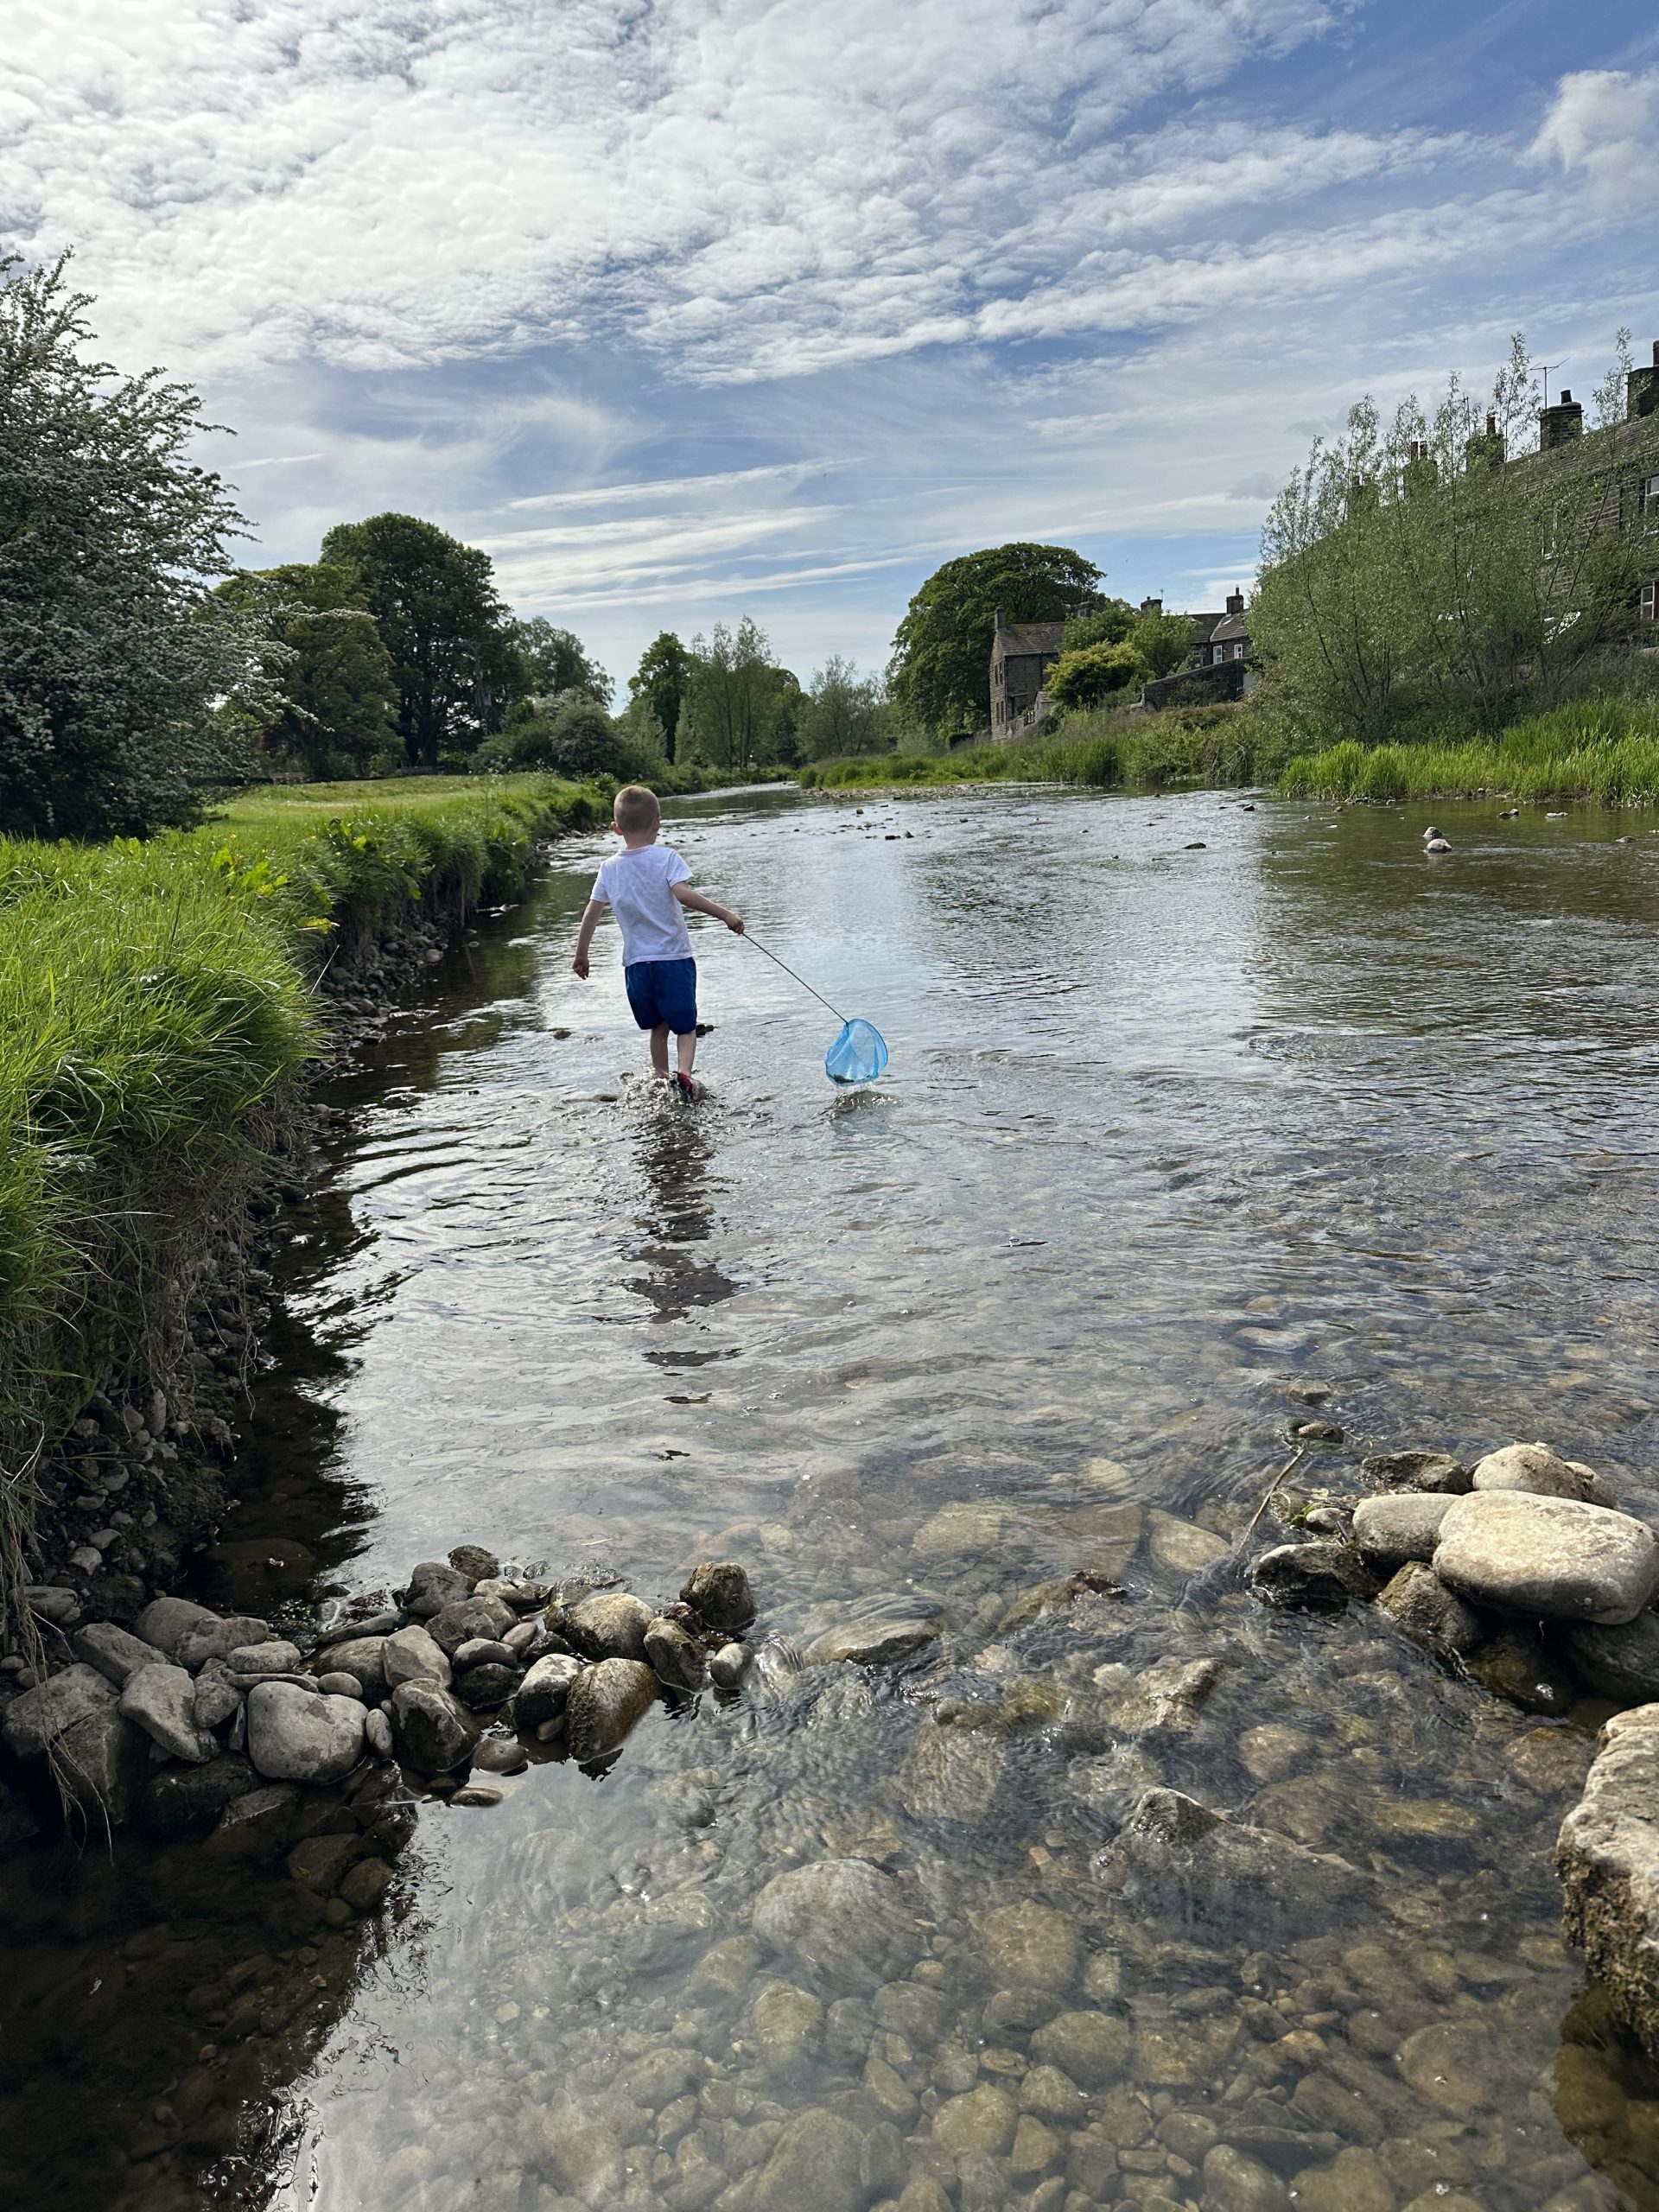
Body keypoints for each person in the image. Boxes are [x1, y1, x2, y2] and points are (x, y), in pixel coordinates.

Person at [571, 785, 743, 1096]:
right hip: (673, 960)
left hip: (637, 966)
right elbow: (684, 894)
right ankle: (685, 1075)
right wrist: (726, 915)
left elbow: (591, 913)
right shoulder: (666, 858)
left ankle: (661, 1081)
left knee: (657, 1028)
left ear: (616, 828)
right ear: (657, 823)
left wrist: (581, 954)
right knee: (686, 1027)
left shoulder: (608, 868)